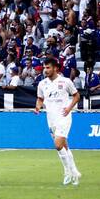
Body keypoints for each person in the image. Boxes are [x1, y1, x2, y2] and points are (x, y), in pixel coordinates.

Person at [35, 56, 81, 185]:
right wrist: (38, 107)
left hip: (64, 117)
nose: (45, 70)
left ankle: (68, 172)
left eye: (48, 67)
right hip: (51, 119)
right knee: (65, 147)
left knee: (58, 145)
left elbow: (77, 95)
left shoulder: (65, 81)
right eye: (44, 67)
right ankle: (75, 173)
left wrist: (69, 108)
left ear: (55, 68)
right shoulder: (42, 84)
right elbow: (40, 98)